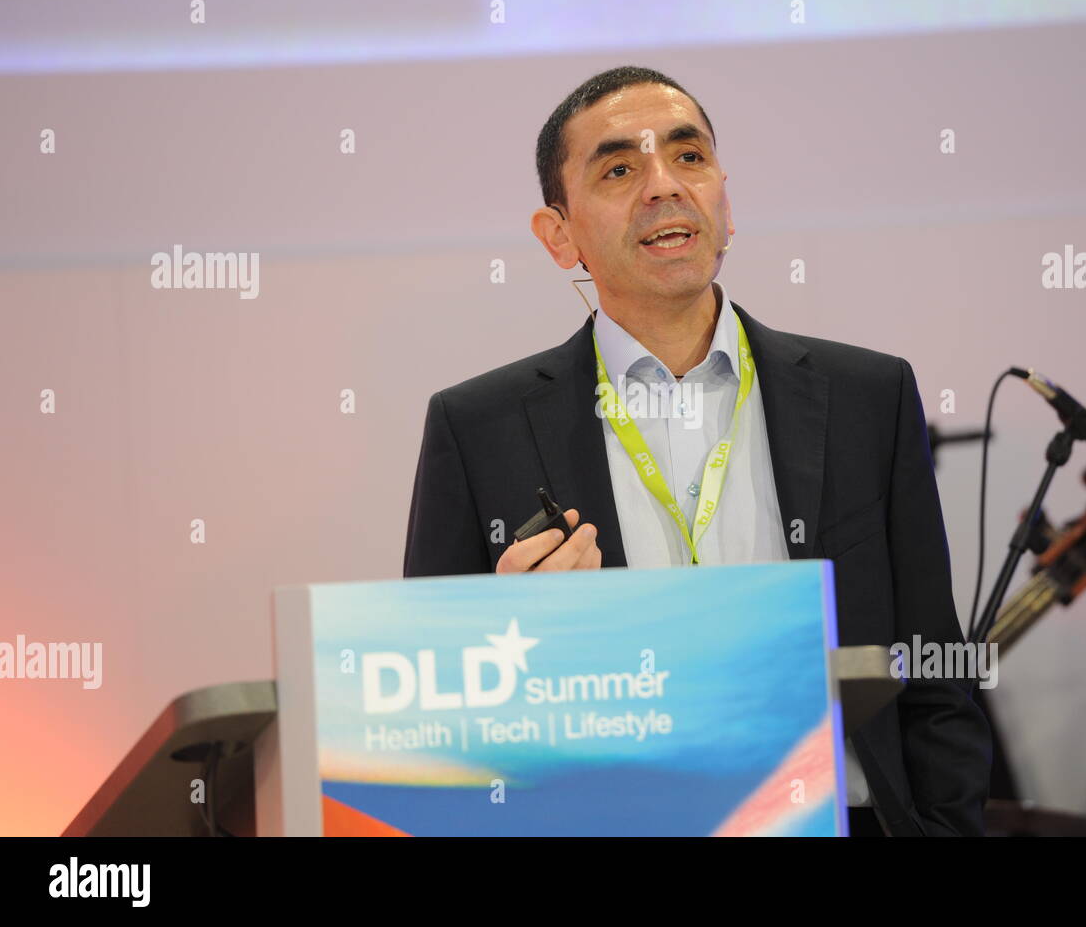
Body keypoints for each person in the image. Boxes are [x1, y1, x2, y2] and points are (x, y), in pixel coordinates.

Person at [404, 65, 990, 836]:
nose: (662, 187)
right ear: (560, 234)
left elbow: (932, 673)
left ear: (725, 199)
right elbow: (434, 722)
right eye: (618, 168)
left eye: (689, 157)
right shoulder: (478, 427)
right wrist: (506, 635)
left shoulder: (866, 397)